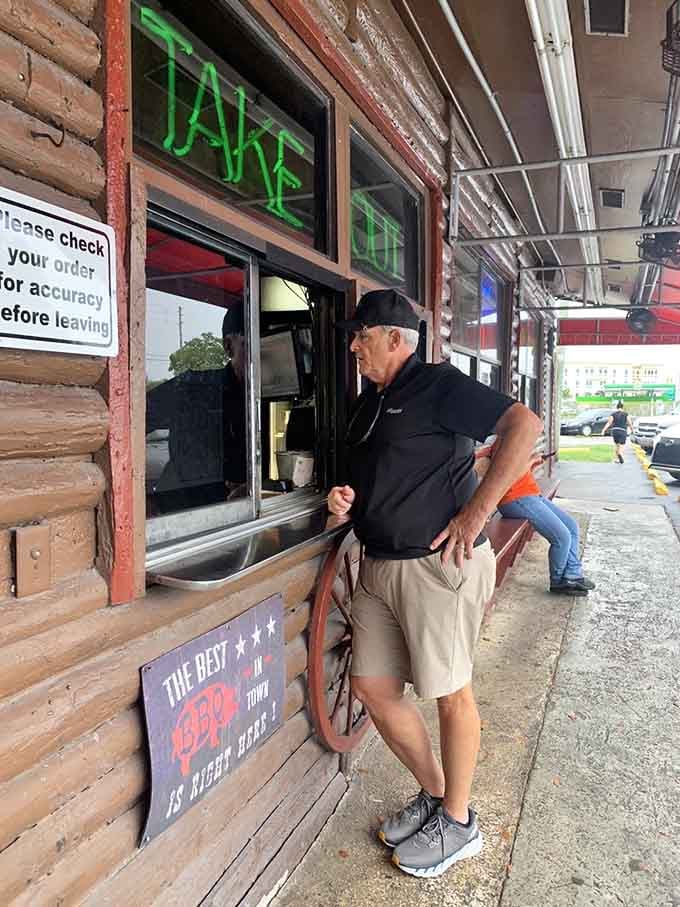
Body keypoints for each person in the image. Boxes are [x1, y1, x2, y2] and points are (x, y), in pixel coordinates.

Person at [327, 289, 542, 879]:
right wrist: (345, 499)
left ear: (396, 339)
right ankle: (436, 793)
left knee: (450, 694)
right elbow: (376, 478)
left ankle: (459, 821)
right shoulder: (369, 403)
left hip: (436, 566)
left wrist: (477, 513)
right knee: (372, 688)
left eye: (362, 335)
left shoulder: (438, 385)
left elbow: (524, 425)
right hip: (376, 565)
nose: (353, 346)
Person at [145, 305, 247, 514]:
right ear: (229, 346)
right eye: (252, 345)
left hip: (247, 517)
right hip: (183, 517)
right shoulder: (191, 388)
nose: (265, 356)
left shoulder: (275, 402)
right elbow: (128, 424)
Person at [475, 440, 594, 595]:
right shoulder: (508, 442)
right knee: (562, 537)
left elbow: (520, 473)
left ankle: (573, 575)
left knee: (572, 526)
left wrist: (533, 462)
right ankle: (558, 581)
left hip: (531, 495)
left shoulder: (516, 439)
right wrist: (531, 460)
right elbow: (509, 475)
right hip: (515, 499)